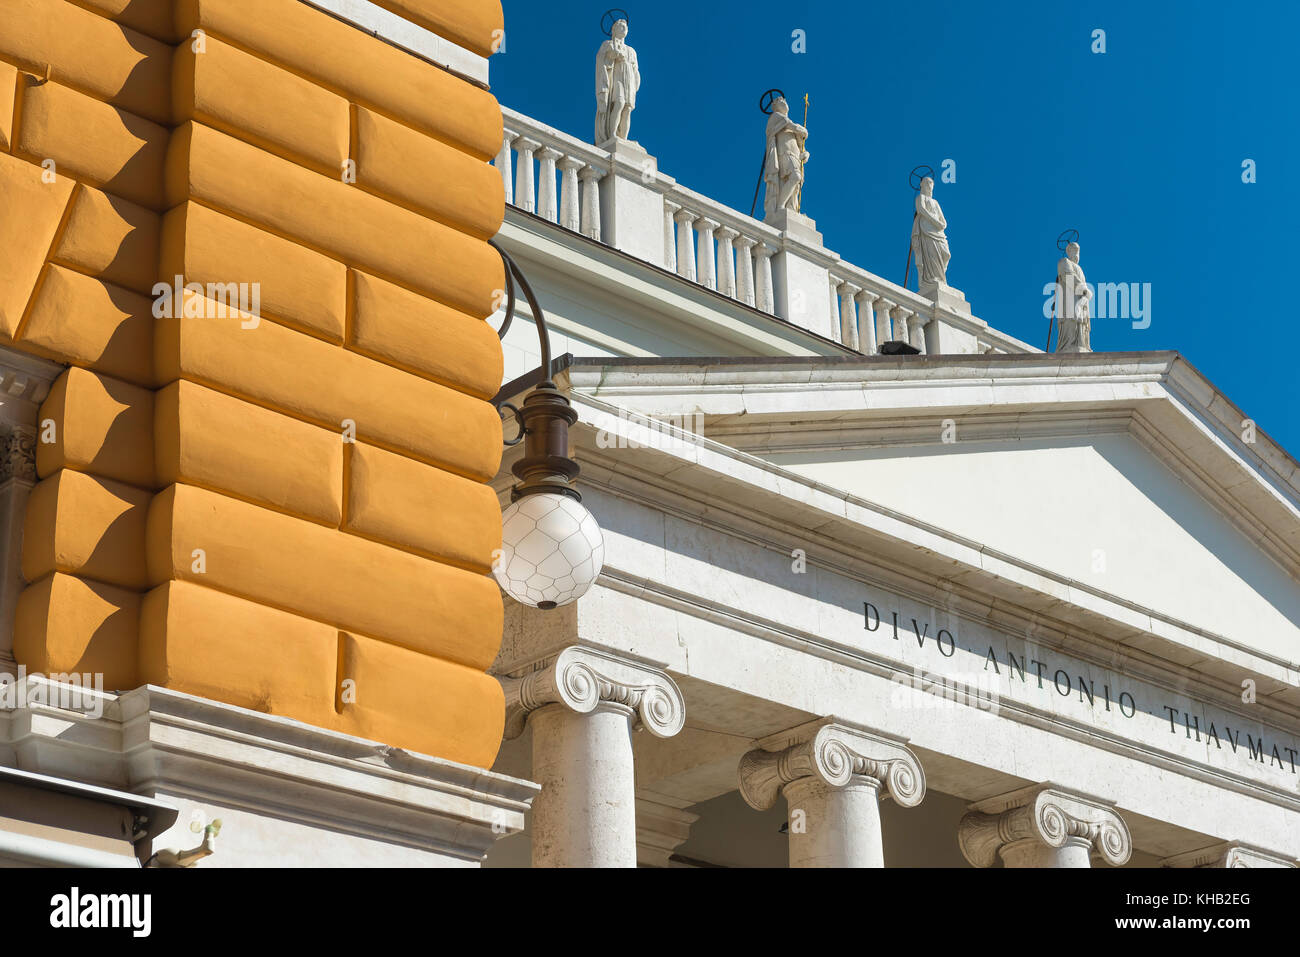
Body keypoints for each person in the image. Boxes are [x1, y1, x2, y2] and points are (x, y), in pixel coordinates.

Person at [763, 96, 809, 220]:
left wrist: (805, 154)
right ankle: (781, 206)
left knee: (795, 185)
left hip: (795, 156)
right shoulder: (776, 117)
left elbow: (801, 147)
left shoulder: (790, 125)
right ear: (774, 107)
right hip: (784, 154)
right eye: (779, 101)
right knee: (795, 177)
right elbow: (788, 124)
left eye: (784, 100)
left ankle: (791, 209)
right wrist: (801, 129)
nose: (783, 102)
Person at [595, 19, 640, 144]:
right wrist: (612, 55)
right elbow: (601, 59)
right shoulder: (608, 44)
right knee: (619, 103)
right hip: (617, 77)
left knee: (627, 108)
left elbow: (635, 68)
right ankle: (613, 134)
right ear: (614, 29)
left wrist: (636, 81)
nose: (623, 28)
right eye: (620, 26)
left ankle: (623, 138)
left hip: (629, 79)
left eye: (625, 26)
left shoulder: (631, 51)